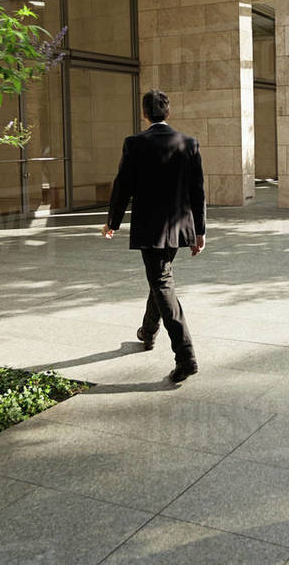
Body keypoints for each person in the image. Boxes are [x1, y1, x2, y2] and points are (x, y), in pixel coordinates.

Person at [103, 89, 205, 383]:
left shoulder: (134, 144)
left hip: (150, 228)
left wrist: (113, 221)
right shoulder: (188, 143)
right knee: (159, 278)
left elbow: (123, 185)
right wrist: (200, 231)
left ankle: (185, 357)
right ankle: (147, 332)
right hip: (178, 227)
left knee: (161, 281)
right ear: (168, 113)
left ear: (144, 114)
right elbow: (197, 191)